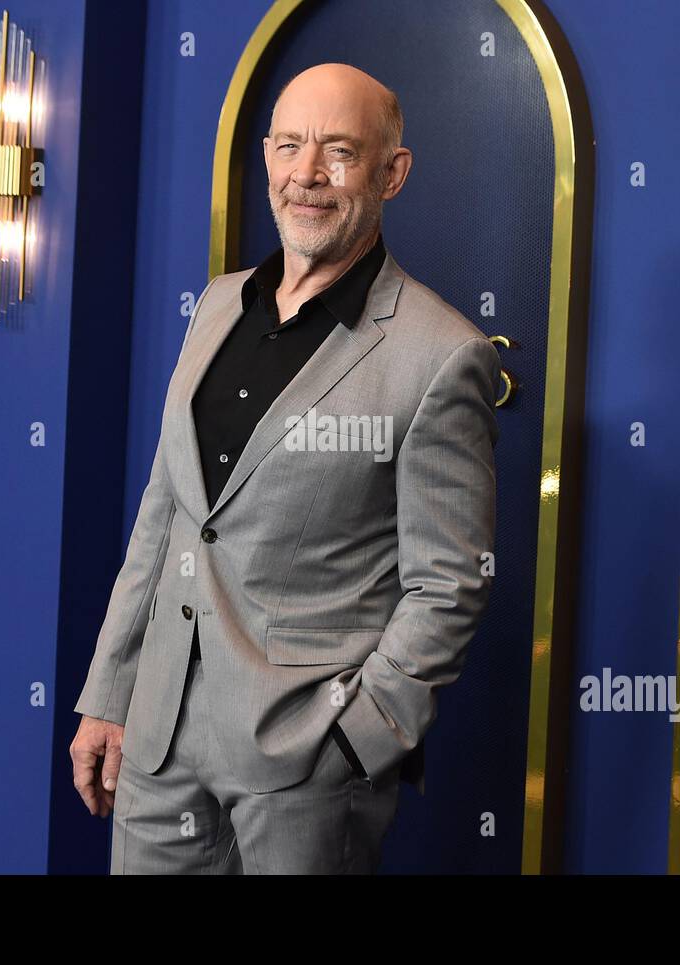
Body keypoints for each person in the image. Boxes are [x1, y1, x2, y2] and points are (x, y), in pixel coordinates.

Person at [69, 62, 501, 873]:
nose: (308, 174)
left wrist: (354, 739)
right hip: (157, 747)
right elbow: (166, 515)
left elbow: (450, 582)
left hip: (303, 770)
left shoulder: (442, 356)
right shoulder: (217, 304)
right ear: (266, 156)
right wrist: (110, 691)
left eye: (339, 150)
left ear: (391, 173)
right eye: (291, 146)